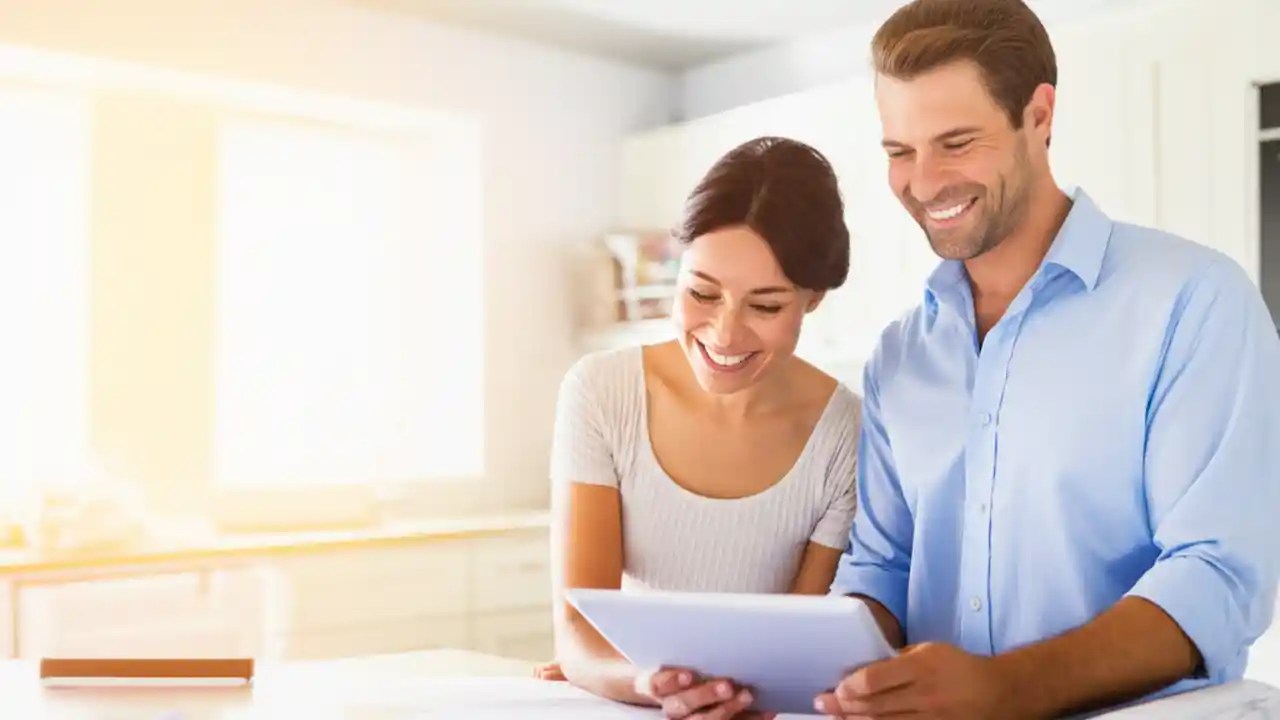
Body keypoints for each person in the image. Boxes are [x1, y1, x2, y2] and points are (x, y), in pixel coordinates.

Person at [802, 0, 1280, 717]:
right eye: (899, 152)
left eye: (956, 142)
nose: (924, 183)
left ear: (1040, 114)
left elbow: (1214, 577)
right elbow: (884, 567)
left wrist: (1003, 690)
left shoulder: (1193, 301)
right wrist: (786, 671)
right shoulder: (901, 354)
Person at [541, 136, 862, 718]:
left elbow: (796, 648)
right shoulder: (602, 393)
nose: (724, 334)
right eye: (701, 293)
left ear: (812, 299)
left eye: (765, 306)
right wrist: (647, 684)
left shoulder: (844, 432)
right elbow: (578, 630)